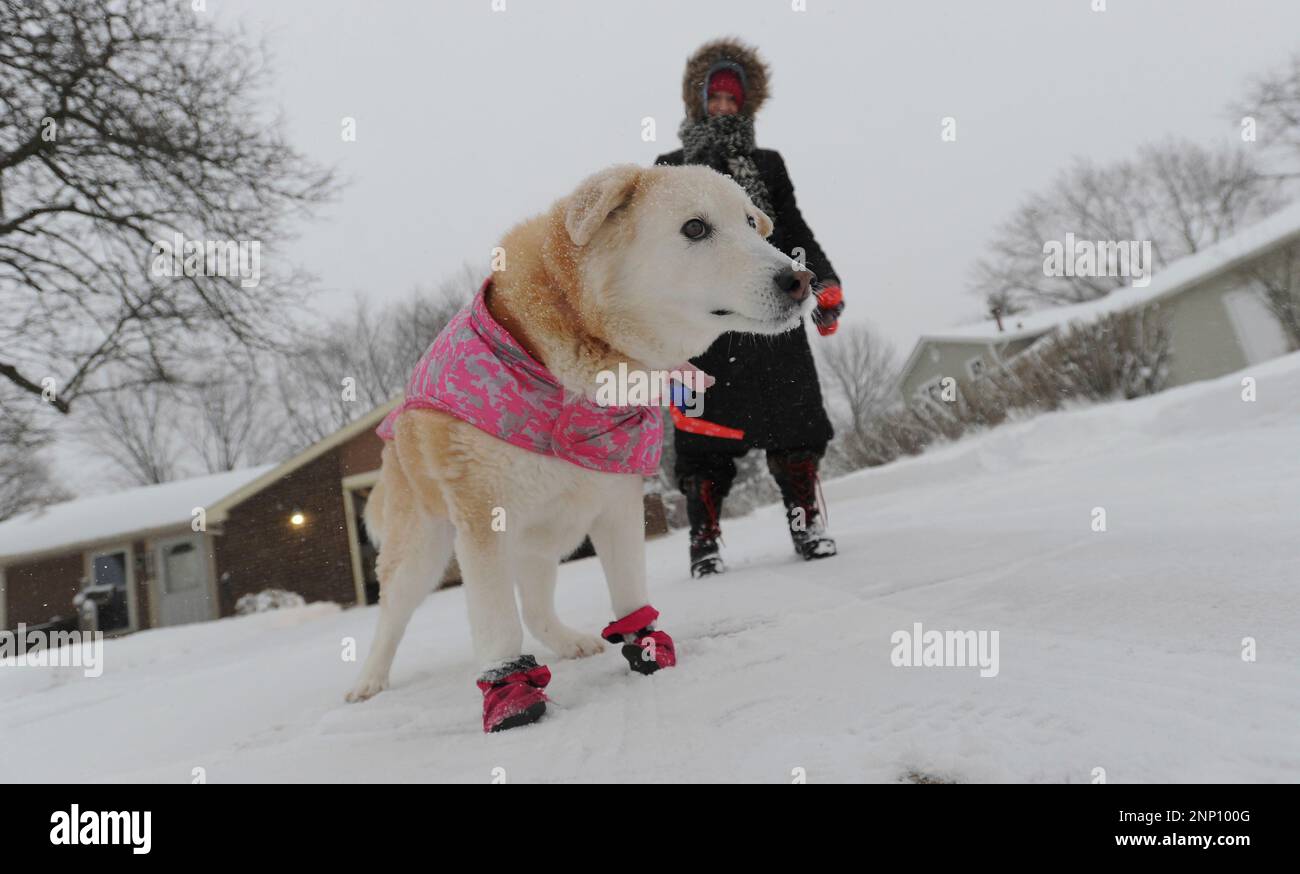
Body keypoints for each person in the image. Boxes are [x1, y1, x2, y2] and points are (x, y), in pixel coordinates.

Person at [655, 37, 846, 577]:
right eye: (713, 98)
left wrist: (825, 281)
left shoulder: (768, 164)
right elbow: (660, 246)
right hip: (709, 320)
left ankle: (807, 522)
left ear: (747, 104)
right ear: (697, 101)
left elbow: (792, 228)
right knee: (702, 436)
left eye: (731, 99)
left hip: (774, 310)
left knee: (797, 425)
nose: (722, 107)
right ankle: (705, 540)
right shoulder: (670, 168)